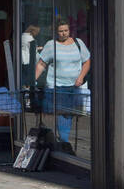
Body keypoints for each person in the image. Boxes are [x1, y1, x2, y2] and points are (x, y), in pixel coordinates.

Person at [34, 20, 91, 153]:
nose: (64, 33)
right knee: (63, 114)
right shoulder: (51, 45)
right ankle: (64, 143)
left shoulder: (78, 43)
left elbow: (87, 61)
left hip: (75, 86)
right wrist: (33, 80)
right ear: (56, 32)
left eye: (66, 30)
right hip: (57, 86)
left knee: (70, 114)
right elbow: (42, 64)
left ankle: (63, 143)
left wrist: (81, 77)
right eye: (61, 31)